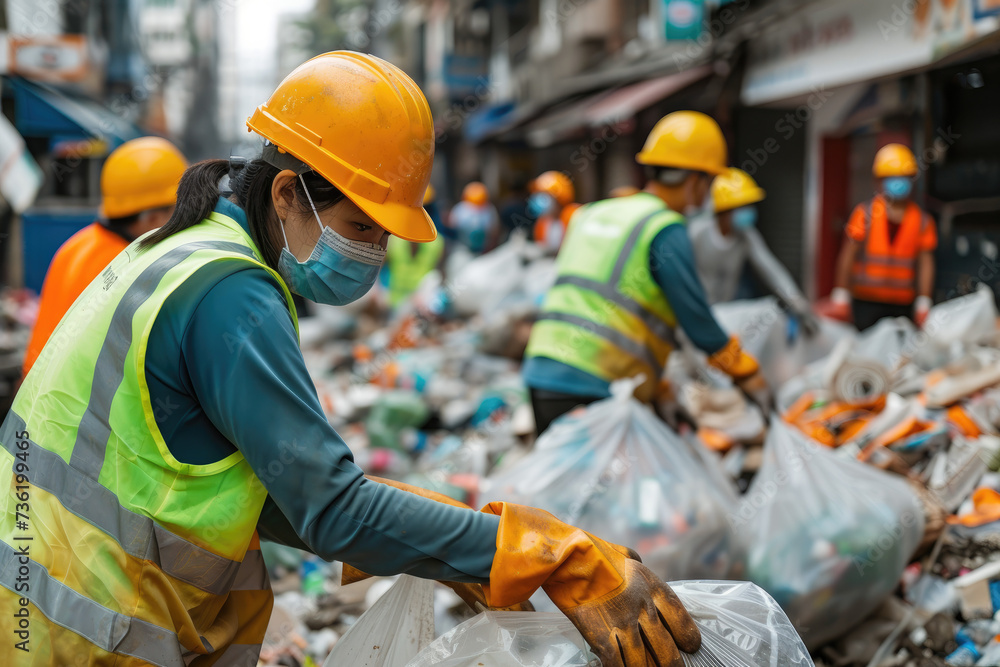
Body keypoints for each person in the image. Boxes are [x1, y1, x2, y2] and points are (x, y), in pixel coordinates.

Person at [0, 52, 702, 667]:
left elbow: (268, 490)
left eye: (383, 234)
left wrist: (436, 540)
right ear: (286, 194)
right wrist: (555, 555)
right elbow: (332, 510)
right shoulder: (232, 292)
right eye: (361, 226)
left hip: (45, 607)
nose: (373, 252)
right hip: (85, 627)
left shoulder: (189, 252)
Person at [522, 111, 769, 434]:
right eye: (709, 182)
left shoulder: (593, 212)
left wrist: (659, 388)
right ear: (695, 180)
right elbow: (698, 323)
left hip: (540, 370)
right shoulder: (664, 227)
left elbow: (613, 305)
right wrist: (746, 374)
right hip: (595, 384)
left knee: (563, 466)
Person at [21, 136, 187, 375]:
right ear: (151, 217)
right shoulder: (133, 270)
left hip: (35, 391)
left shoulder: (76, 246)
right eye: (178, 209)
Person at [689, 168, 818, 333]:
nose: (749, 211)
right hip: (696, 316)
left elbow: (771, 269)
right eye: (743, 207)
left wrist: (797, 303)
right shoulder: (696, 234)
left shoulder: (746, 236)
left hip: (724, 318)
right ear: (724, 210)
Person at [830, 143, 937, 330]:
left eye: (903, 177)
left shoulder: (922, 221)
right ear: (879, 181)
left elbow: (926, 263)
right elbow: (848, 254)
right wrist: (841, 295)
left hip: (903, 304)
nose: (898, 182)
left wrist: (923, 302)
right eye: (891, 177)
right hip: (866, 302)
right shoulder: (864, 214)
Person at [384, 186, 446, 307]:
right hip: (393, 306)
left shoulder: (438, 244)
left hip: (421, 307)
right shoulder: (393, 240)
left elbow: (440, 279)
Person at [529, 170, 580, 254]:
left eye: (544, 196)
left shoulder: (574, 215)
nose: (539, 199)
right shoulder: (542, 223)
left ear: (558, 197)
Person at [448, 180, 500, 254]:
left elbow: (495, 233)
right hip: (463, 249)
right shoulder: (460, 209)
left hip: (484, 249)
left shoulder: (490, 210)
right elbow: (451, 228)